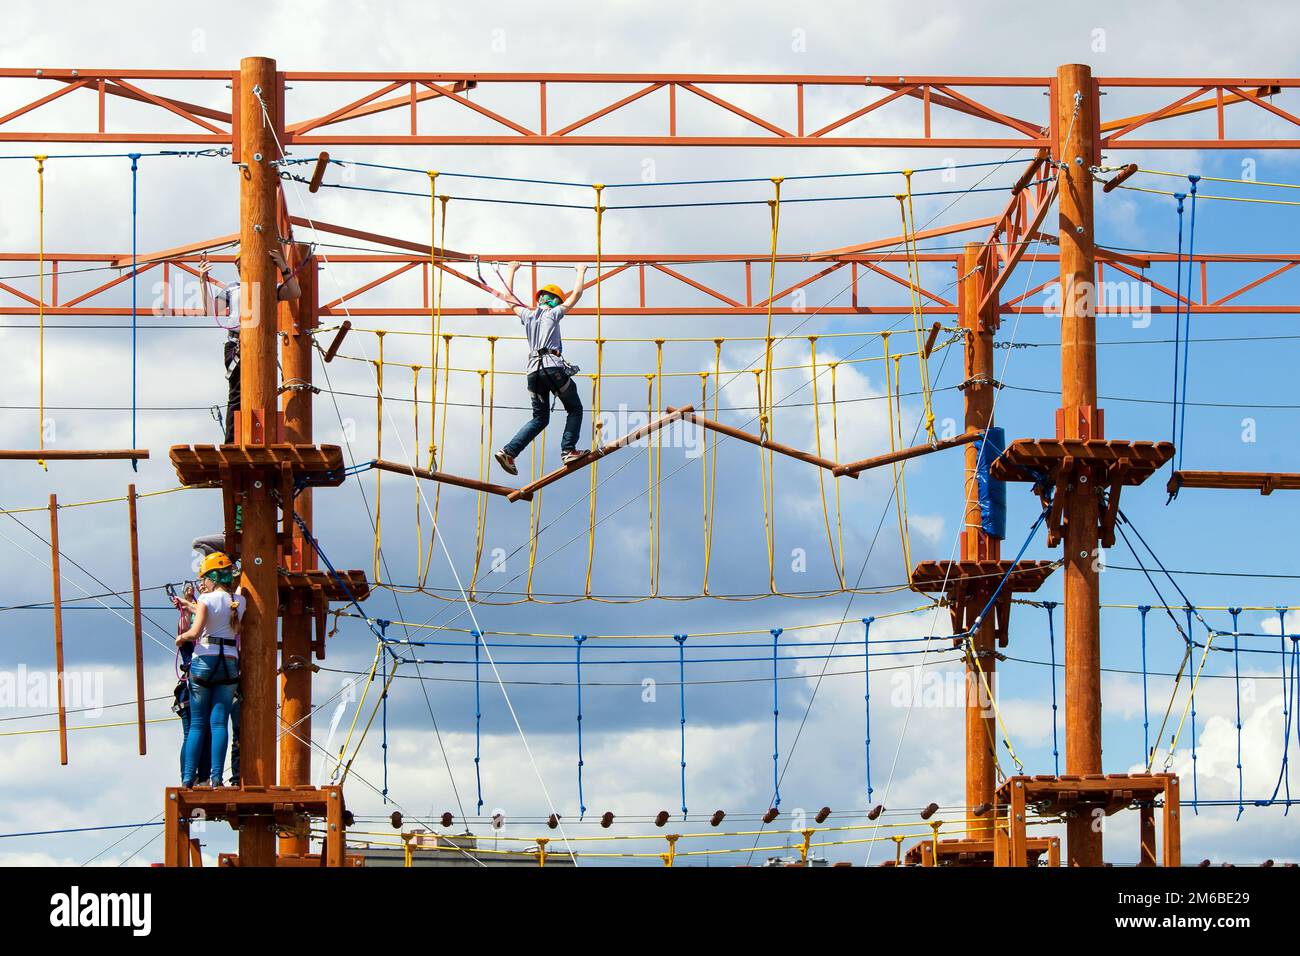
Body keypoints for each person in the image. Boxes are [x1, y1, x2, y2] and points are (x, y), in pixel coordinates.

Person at [484, 260, 589, 476]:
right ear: (555, 301)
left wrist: (511, 271)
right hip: (552, 368)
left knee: (540, 418)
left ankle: (509, 452)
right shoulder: (553, 313)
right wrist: (580, 271)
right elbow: (576, 294)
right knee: (574, 408)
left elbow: (509, 299)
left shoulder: (528, 315)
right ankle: (568, 449)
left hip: (533, 373)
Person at [199, 249, 302, 445]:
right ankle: (232, 442)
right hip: (237, 344)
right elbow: (210, 309)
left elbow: (295, 292)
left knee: (264, 392)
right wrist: (203, 280)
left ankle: (264, 437)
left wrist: (283, 266)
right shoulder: (233, 288)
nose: (241, 269)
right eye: (239, 265)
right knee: (237, 394)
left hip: (262, 346)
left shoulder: (269, 287)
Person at [176, 552, 243, 788]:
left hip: (205, 663)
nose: (201, 583)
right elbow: (218, 616)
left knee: (197, 725)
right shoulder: (239, 601)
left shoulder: (206, 600)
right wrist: (190, 605)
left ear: (213, 577)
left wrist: (181, 637)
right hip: (229, 664)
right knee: (219, 723)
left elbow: (195, 633)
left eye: (203, 577)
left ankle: (187, 778)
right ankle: (216, 778)